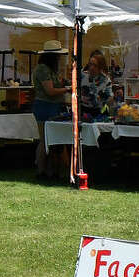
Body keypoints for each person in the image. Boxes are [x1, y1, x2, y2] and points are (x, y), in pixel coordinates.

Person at [30, 39, 71, 176]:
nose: (59, 59)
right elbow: (50, 91)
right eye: (58, 56)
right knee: (44, 139)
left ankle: (49, 170)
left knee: (51, 140)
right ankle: (41, 170)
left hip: (52, 106)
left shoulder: (49, 70)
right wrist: (66, 89)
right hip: (44, 106)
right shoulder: (42, 69)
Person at [80, 49, 117, 118]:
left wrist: (109, 99)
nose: (91, 67)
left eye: (95, 65)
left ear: (100, 67)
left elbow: (110, 97)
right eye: (90, 64)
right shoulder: (82, 76)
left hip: (99, 112)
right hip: (83, 111)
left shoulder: (105, 80)